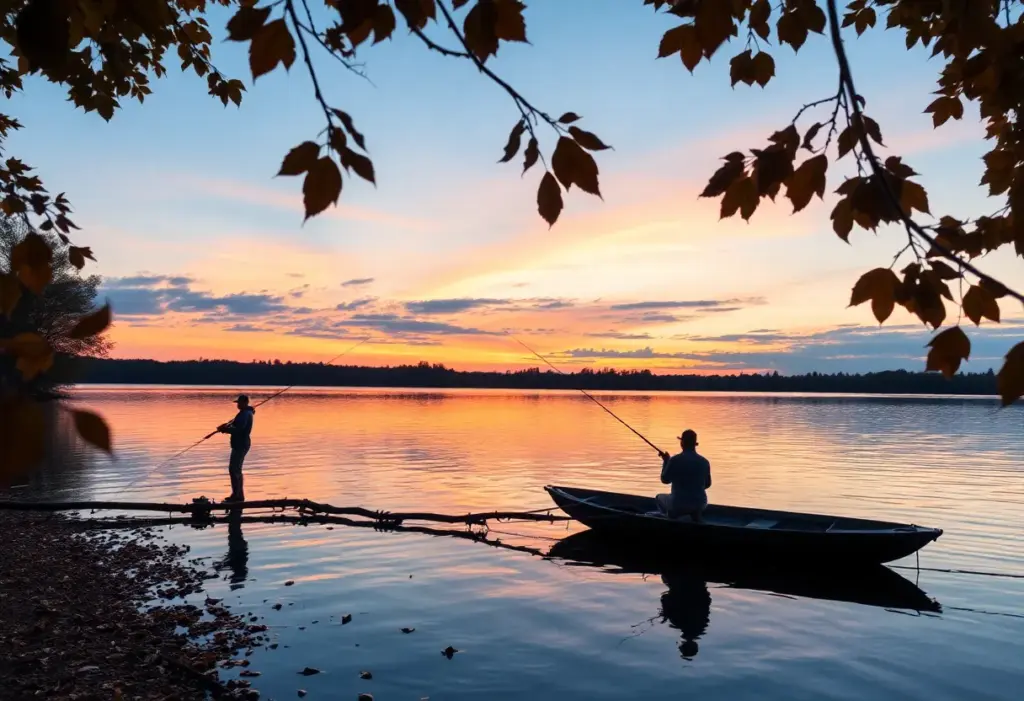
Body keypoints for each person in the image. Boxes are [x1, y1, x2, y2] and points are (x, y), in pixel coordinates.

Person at [656, 429, 711, 522]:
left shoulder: (674, 460)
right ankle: (693, 516)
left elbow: (665, 480)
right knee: (695, 504)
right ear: (695, 444)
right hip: (700, 504)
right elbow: (708, 484)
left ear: (682, 443)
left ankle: (670, 518)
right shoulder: (704, 462)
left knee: (658, 497)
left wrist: (666, 462)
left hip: (678, 504)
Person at [217, 394, 256, 502]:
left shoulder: (245, 414)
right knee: (236, 469)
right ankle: (239, 495)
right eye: (237, 403)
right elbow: (235, 425)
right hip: (241, 444)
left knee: (234, 469)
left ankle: (236, 496)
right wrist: (226, 426)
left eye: (239, 403)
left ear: (245, 403)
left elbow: (239, 429)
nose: (237, 405)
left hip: (241, 444)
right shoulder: (245, 413)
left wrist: (225, 430)